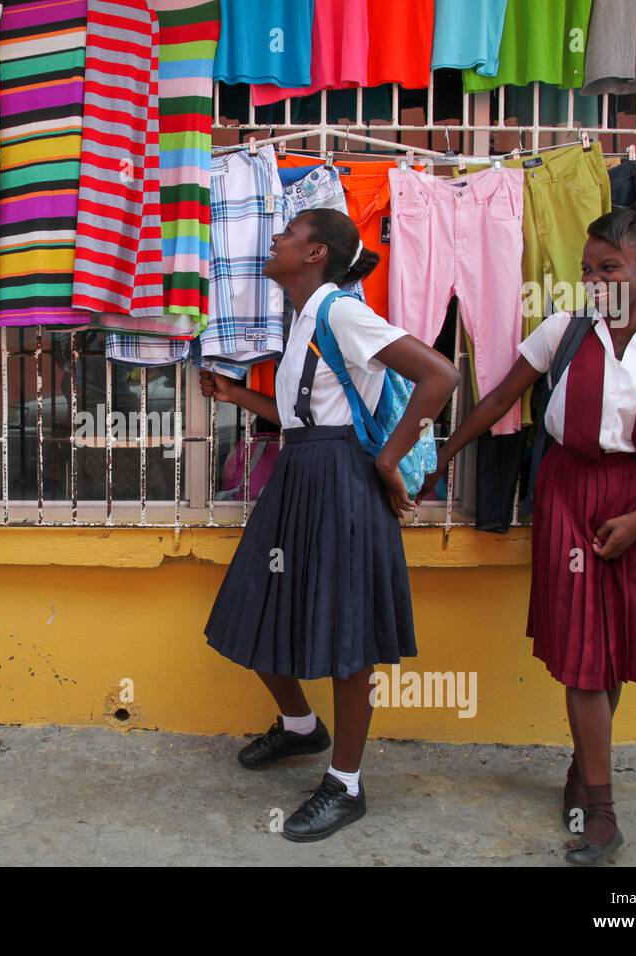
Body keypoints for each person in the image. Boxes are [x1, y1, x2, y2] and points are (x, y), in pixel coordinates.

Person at [417, 209, 636, 864]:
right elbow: (499, 401)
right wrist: (443, 457)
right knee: (586, 654)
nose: (594, 281)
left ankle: (584, 771)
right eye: (587, 270)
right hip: (568, 495)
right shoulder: (562, 332)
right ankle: (603, 814)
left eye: (608, 268)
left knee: (612, 651)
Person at [202, 208, 459, 842]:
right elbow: (304, 418)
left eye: (287, 235)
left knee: (348, 632)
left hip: (343, 480)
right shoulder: (307, 317)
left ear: (317, 253)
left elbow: (441, 375)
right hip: (301, 473)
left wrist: (391, 458)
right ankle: (300, 728)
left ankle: (346, 783)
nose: (275, 241)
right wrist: (239, 399)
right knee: (253, 605)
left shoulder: (341, 311)